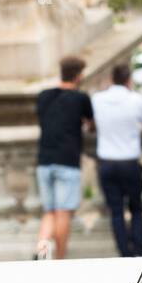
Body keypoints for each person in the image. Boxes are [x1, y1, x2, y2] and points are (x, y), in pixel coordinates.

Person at [91, 62, 142, 257]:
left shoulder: (97, 99)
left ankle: (124, 251)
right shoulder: (136, 100)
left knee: (116, 211)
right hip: (129, 162)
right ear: (129, 80)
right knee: (136, 208)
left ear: (112, 79)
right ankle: (138, 249)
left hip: (107, 163)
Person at [33, 56, 93, 260]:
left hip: (44, 160)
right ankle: (59, 259)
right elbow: (91, 124)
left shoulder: (43, 96)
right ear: (78, 76)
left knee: (49, 212)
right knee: (63, 213)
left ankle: (41, 250)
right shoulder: (80, 98)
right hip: (67, 161)